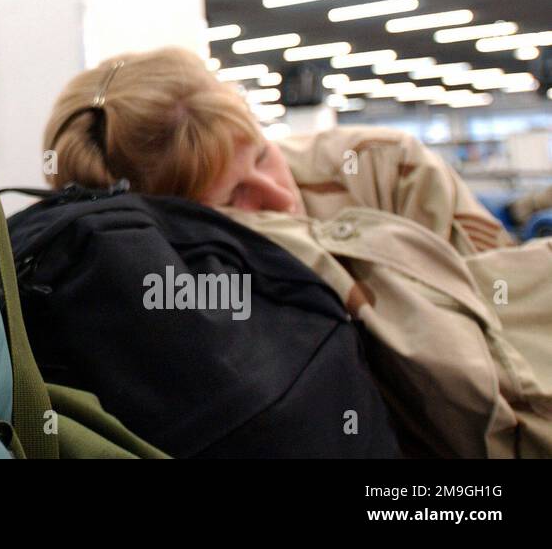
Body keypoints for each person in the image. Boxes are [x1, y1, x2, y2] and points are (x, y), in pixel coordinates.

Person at [43, 45, 552, 457]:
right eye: (235, 198)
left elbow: (501, 334)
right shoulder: (176, 288)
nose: (280, 196)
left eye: (264, 154)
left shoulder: (385, 167)